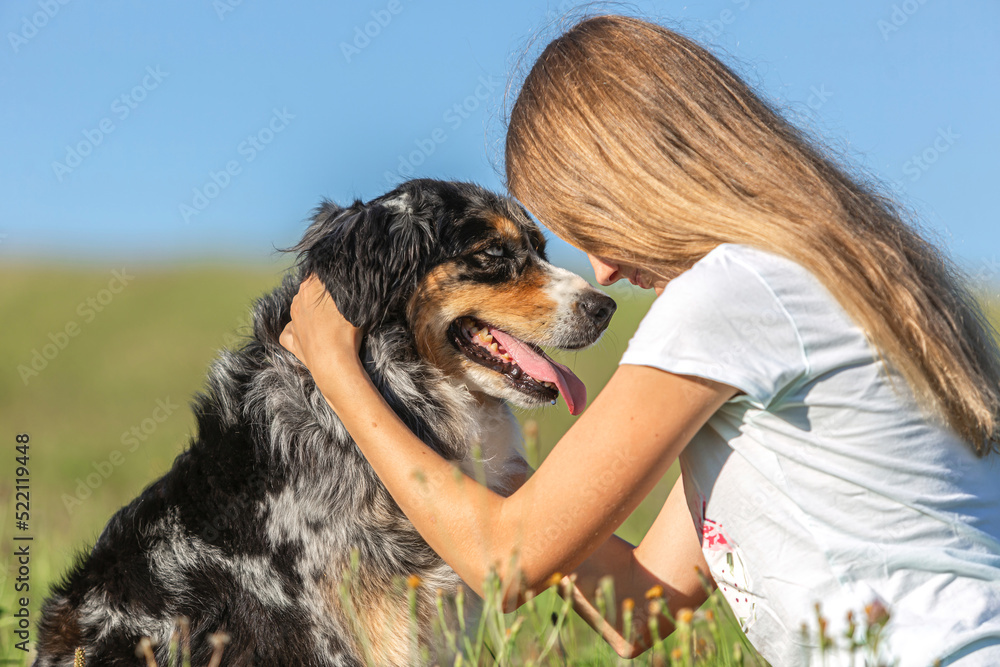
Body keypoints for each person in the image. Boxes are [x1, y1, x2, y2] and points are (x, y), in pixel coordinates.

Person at [279, 15, 1000, 666]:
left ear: (643, 180)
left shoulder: (731, 294)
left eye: (592, 224)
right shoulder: (816, 277)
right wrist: (521, 484)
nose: (603, 270)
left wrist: (337, 369)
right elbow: (643, 605)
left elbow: (503, 560)